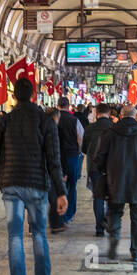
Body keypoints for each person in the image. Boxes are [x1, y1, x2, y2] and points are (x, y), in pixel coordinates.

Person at [0, 77, 67, 275]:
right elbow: (54, 161)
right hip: (37, 187)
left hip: (12, 186)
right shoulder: (45, 121)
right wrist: (61, 192)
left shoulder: (4, 120)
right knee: (38, 234)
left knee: (15, 238)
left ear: (14, 96)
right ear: (34, 94)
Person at [95, 103, 137, 264]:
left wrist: (107, 170)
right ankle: (136, 252)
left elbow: (99, 158)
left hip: (115, 181)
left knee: (114, 213)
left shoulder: (109, 133)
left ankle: (114, 238)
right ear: (136, 115)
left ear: (121, 115)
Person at [81, 103, 115, 237]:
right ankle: (111, 224)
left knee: (98, 197)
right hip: (112, 167)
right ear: (109, 113)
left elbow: (84, 149)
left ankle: (99, 228)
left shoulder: (90, 128)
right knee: (112, 196)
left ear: (97, 113)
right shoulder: (114, 127)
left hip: (95, 167)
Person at [55, 96, 84, 227]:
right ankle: (69, 214)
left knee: (56, 186)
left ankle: (57, 214)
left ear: (57, 105)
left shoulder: (52, 120)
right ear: (68, 106)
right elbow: (81, 139)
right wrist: (78, 152)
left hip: (55, 157)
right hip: (71, 157)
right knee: (71, 186)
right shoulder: (74, 120)